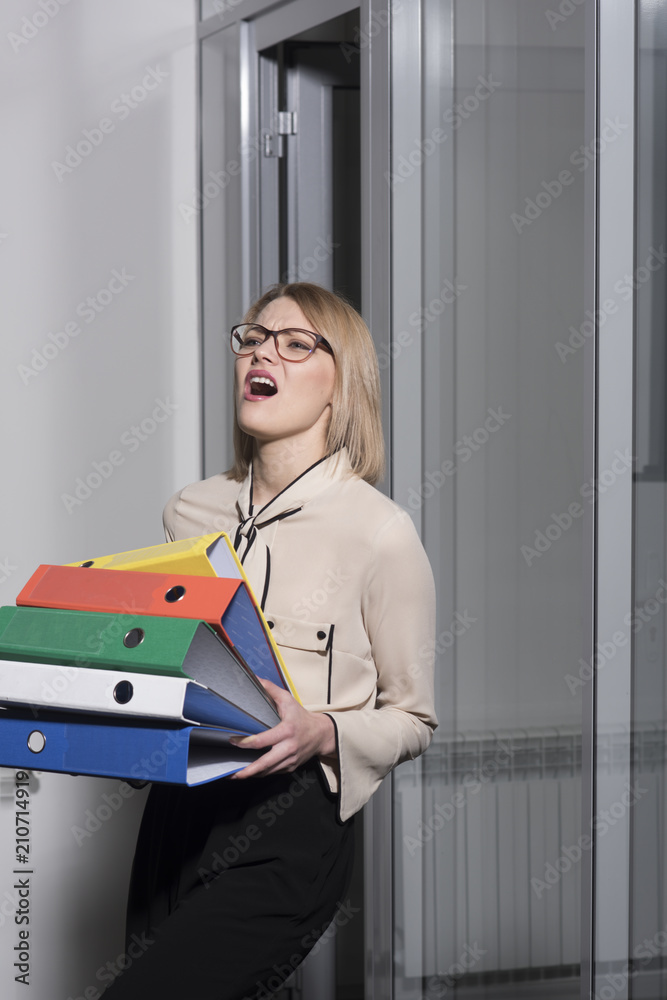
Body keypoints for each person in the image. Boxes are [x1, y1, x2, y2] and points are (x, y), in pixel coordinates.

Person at [105, 282, 437, 999]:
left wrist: (322, 731)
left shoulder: (379, 532)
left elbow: (413, 718)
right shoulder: (187, 511)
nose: (262, 354)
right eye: (253, 338)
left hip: (289, 824)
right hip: (175, 807)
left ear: (341, 384)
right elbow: (171, 660)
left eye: (295, 344)